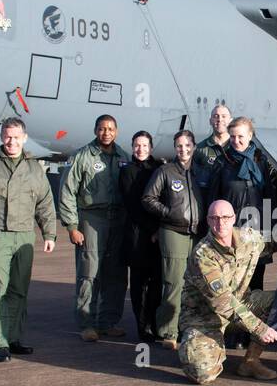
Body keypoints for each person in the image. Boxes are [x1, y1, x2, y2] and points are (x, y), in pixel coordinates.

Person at [0, 117, 57, 361]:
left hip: (24, 233)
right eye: (7, 136)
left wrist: (49, 233)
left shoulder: (34, 167)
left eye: (16, 137)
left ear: (24, 138)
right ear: (1, 137)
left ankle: (13, 338)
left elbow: (45, 202)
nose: (11, 141)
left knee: (18, 289)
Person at [177, 200, 277, 384]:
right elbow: (223, 302)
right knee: (202, 374)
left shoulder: (247, 237)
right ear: (208, 221)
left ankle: (250, 362)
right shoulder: (203, 255)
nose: (220, 223)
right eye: (215, 218)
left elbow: (271, 242)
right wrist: (260, 328)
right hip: (204, 317)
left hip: (241, 305)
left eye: (225, 217)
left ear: (233, 218)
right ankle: (204, 345)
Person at [57, 115, 131, 342]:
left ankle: (108, 322)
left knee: (115, 273)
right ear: (95, 130)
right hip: (91, 218)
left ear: (116, 131)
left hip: (117, 219)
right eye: (101, 129)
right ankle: (87, 323)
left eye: (110, 129)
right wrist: (71, 226)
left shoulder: (123, 157)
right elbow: (67, 191)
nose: (106, 133)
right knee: (89, 272)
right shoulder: (82, 156)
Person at [143, 130, 205, 350]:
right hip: (173, 232)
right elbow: (148, 198)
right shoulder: (165, 171)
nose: (184, 149)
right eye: (179, 145)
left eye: (188, 145)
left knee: (194, 283)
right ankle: (168, 330)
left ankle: (187, 327)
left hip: (196, 233)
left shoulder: (200, 172)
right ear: (174, 147)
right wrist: (168, 212)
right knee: (173, 282)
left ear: (194, 146)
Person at [207, 116, 277, 289]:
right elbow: (213, 198)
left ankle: (254, 316)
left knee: (256, 283)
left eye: (240, 136)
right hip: (232, 230)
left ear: (250, 136)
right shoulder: (222, 162)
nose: (236, 141)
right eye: (232, 136)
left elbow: (269, 195)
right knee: (232, 284)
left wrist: (274, 226)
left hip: (257, 230)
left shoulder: (260, 162)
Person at [120, 131, 164, 342]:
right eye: (137, 145)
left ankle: (154, 324)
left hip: (156, 236)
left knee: (156, 283)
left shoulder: (159, 169)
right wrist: (151, 229)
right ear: (132, 147)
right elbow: (132, 205)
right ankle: (142, 327)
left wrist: (158, 229)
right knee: (138, 285)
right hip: (138, 234)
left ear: (151, 147)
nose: (141, 149)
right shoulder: (127, 171)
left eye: (144, 145)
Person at [192, 103, 232, 194]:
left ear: (230, 121)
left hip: (232, 201)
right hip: (209, 202)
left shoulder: (237, 148)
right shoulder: (200, 149)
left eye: (224, 116)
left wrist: (266, 207)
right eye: (216, 116)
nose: (219, 119)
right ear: (210, 121)